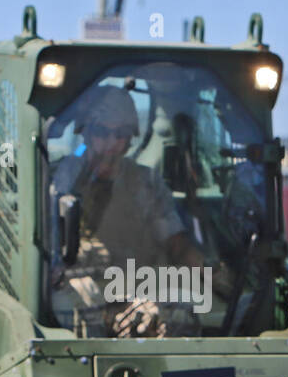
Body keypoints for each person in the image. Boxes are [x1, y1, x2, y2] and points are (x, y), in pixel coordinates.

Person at [50, 86, 220, 337]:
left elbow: (174, 241)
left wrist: (211, 272)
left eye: (120, 134)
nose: (111, 143)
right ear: (85, 133)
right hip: (82, 294)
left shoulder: (145, 184)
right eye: (101, 132)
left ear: (131, 138)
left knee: (186, 310)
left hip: (137, 291)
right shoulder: (61, 179)